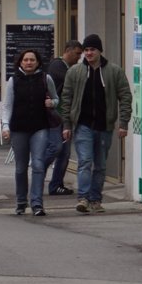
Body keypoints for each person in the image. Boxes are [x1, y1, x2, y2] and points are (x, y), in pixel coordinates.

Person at [59, 34, 132, 214]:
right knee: (85, 161)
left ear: (100, 51)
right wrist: (67, 124)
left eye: (92, 49)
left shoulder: (114, 72)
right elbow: (66, 99)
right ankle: (83, 198)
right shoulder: (74, 72)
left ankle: (95, 199)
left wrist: (123, 123)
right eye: (86, 50)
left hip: (104, 125)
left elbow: (125, 96)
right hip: (82, 124)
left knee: (100, 165)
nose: (89, 53)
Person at [0, 48, 59, 215]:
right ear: (20, 62)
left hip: (40, 127)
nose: (29, 63)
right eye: (26, 60)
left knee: (38, 164)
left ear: (38, 62)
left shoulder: (45, 79)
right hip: (19, 129)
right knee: (20, 167)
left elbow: (56, 99)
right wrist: (5, 126)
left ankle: (37, 203)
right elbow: (7, 105)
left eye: (32, 60)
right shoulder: (14, 80)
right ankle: (21, 201)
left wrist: (52, 103)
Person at [44, 41, 80, 196]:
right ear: (68, 51)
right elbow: (72, 83)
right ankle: (39, 169)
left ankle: (56, 185)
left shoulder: (67, 68)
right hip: (56, 116)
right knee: (56, 148)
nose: (79, 57)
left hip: (65, 115)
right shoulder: (57, 66)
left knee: (65, 152)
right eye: (77, 53)